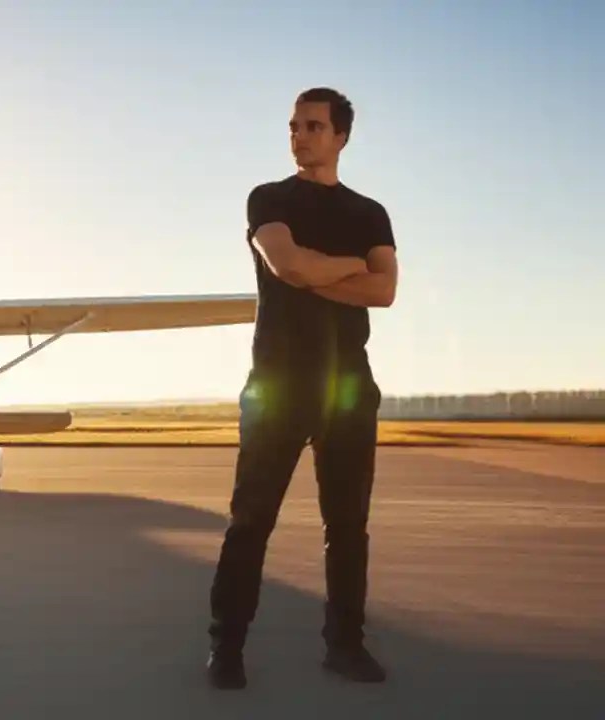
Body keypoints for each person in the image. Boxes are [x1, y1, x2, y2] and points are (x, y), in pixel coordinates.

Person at [206, 87, 399, 690]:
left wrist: (319, 272)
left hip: (348, 390)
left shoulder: (370, 212)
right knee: (250, 521)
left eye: (314, 126)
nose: (300, 135)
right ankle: (227, 649)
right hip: (277, 386)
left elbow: (385, 290)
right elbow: (288, 267)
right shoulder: (267, 199)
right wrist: (345, 268)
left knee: (347, 527)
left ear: (341, 136)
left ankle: (345, 646)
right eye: (294, 126)